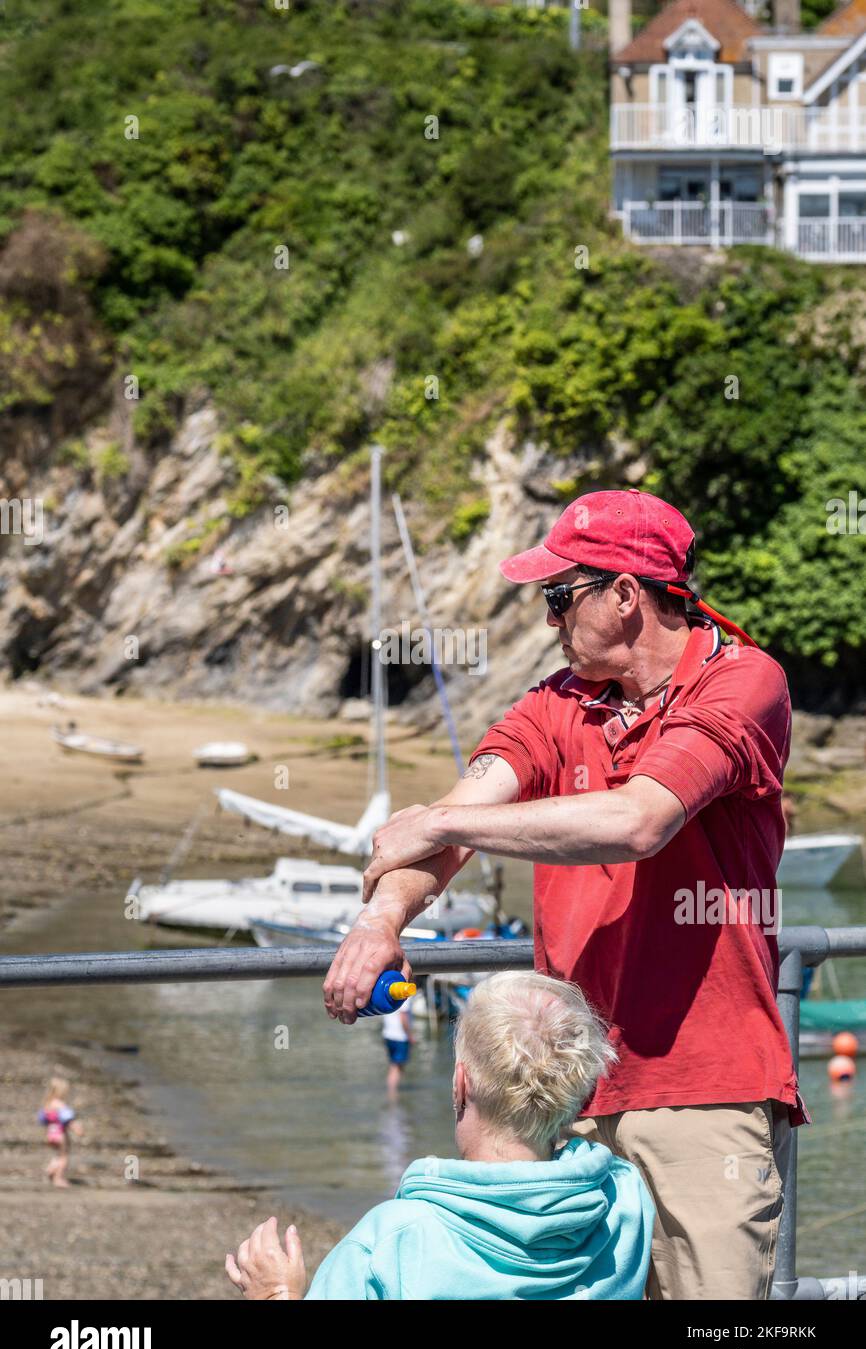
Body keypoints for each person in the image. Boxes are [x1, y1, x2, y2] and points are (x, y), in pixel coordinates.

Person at [322, 488, 807, 1302]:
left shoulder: (744, 682)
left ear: (626, 595)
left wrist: (436, 820)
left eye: (559, 597)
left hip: (704, 1093)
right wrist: (381, 917)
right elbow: (448, 831)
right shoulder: (555, 703)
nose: (550, 621)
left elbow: (638, 819)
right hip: (564, 1097)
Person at [226, 972, 654, 1300]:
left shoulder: (392, 1242)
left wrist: (276, 1293)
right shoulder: (625, 1200)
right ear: (580, 1089)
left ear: (460, 1084)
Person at [38, 1076, 83, 1189]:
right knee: (64, 1156)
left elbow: (43, 1119)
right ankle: (58, 1178)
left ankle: (51, 1168)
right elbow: (68, 1119)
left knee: (58, 1155)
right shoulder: (60, 1105)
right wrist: (78, 1130)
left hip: (50, 1134)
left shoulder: (47, 1105)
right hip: (61, 1135)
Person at [381, 992, 414, 1099]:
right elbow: (403, 1017)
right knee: (397, 1067)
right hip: (400, 1036)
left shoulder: (389, 993)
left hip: (388, 1034)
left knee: (393, 1065)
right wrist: (410, 1035)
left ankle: (393, 1092)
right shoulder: (404, 994)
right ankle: (393, 1094)